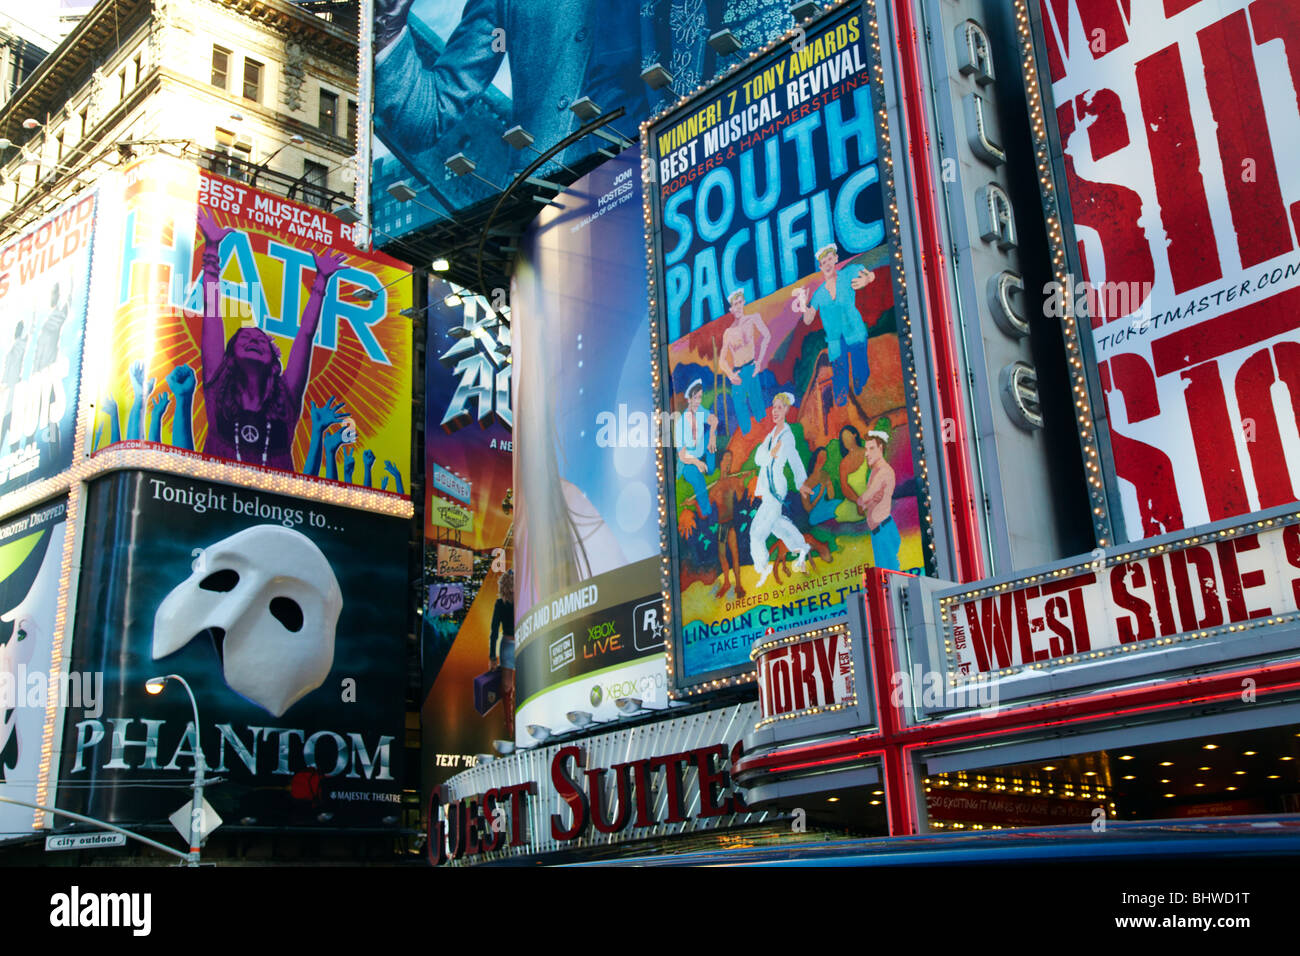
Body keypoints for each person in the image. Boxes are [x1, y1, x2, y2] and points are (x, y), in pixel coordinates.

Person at [195, 208, 346, 470]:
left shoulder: (286, 396)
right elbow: (212, 311)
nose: (254, 340)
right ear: (229, 356)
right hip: (211, 496)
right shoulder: (216, 384)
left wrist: (321, 280)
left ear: (273, 361)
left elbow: (306, 335)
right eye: (245, 338)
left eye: (261, 340)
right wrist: (211, 249)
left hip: (278, 507)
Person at [791, 244, 874, 406]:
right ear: (820, 266)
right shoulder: (819, 294)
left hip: (855, 332)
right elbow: (808, 319)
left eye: (830, 259)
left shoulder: (848, 273)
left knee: (861, 373)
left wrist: (867, 279)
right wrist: (802, 303)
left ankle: (862, 392)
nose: (828, 264)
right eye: (824, 262)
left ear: (836, 259)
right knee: (840, 383)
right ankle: (843, 409)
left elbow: (869, 274)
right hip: (835, 340)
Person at [750, 392, 811, 588]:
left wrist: (801, 482)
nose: (775, 411)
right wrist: (769, 454)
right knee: (778, 526)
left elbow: (794, 461)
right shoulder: (770, 436)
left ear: (786, 410)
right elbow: (759, 459)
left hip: (775, 491)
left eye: (779, 407)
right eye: (773, 407)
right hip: (768, 491)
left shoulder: (787, 436)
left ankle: (762, 567)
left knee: (756, 534)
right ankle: (801, 549)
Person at [718, 290, 771, 435]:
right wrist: (730, 375)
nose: (738, 306)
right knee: (740, 408)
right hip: (738, 372)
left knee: (758, 404)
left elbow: (767, 336)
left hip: (752, 367)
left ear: (744, 303)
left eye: (740, 302)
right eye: (735, 304)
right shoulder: (728, 333)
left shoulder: (753, 318)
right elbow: (721, 360)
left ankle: (765, 437)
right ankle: (747, 438)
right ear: (731, 309)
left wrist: (759, 362)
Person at [859, 418, 900, 571]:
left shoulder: (883, 472)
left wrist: (864, 502)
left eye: (871, 449)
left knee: (890, 577)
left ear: (880, 448)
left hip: (884, 530)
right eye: (866, 449)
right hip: (880, 531)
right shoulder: (875, 471)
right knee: (885, 577)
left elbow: (863, 499)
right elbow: (867, 500)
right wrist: (867, 502)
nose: (866, 454)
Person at [674, 379, 717, 519]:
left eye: (700, 397)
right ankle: (707, 513)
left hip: (700, 450)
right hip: (688, 462)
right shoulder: (680, 424)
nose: (698, 401)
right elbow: (682, 455)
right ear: (689, 399)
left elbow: (713, 420)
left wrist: (711, 436)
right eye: (695, 398)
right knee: (699, 480)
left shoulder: (700, 412)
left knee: (713, 433)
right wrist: (697, 463)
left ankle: (710, 469)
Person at [488, 569, 516, 738]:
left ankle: (512, 725)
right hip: (509, 644)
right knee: (507, 689)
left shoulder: (522, 600)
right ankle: (509, 726)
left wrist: (492, 657)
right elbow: (493, 631)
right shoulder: (501, 603)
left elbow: (493, 632)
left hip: (516, 643)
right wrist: (492, 657)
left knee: (510, 688)